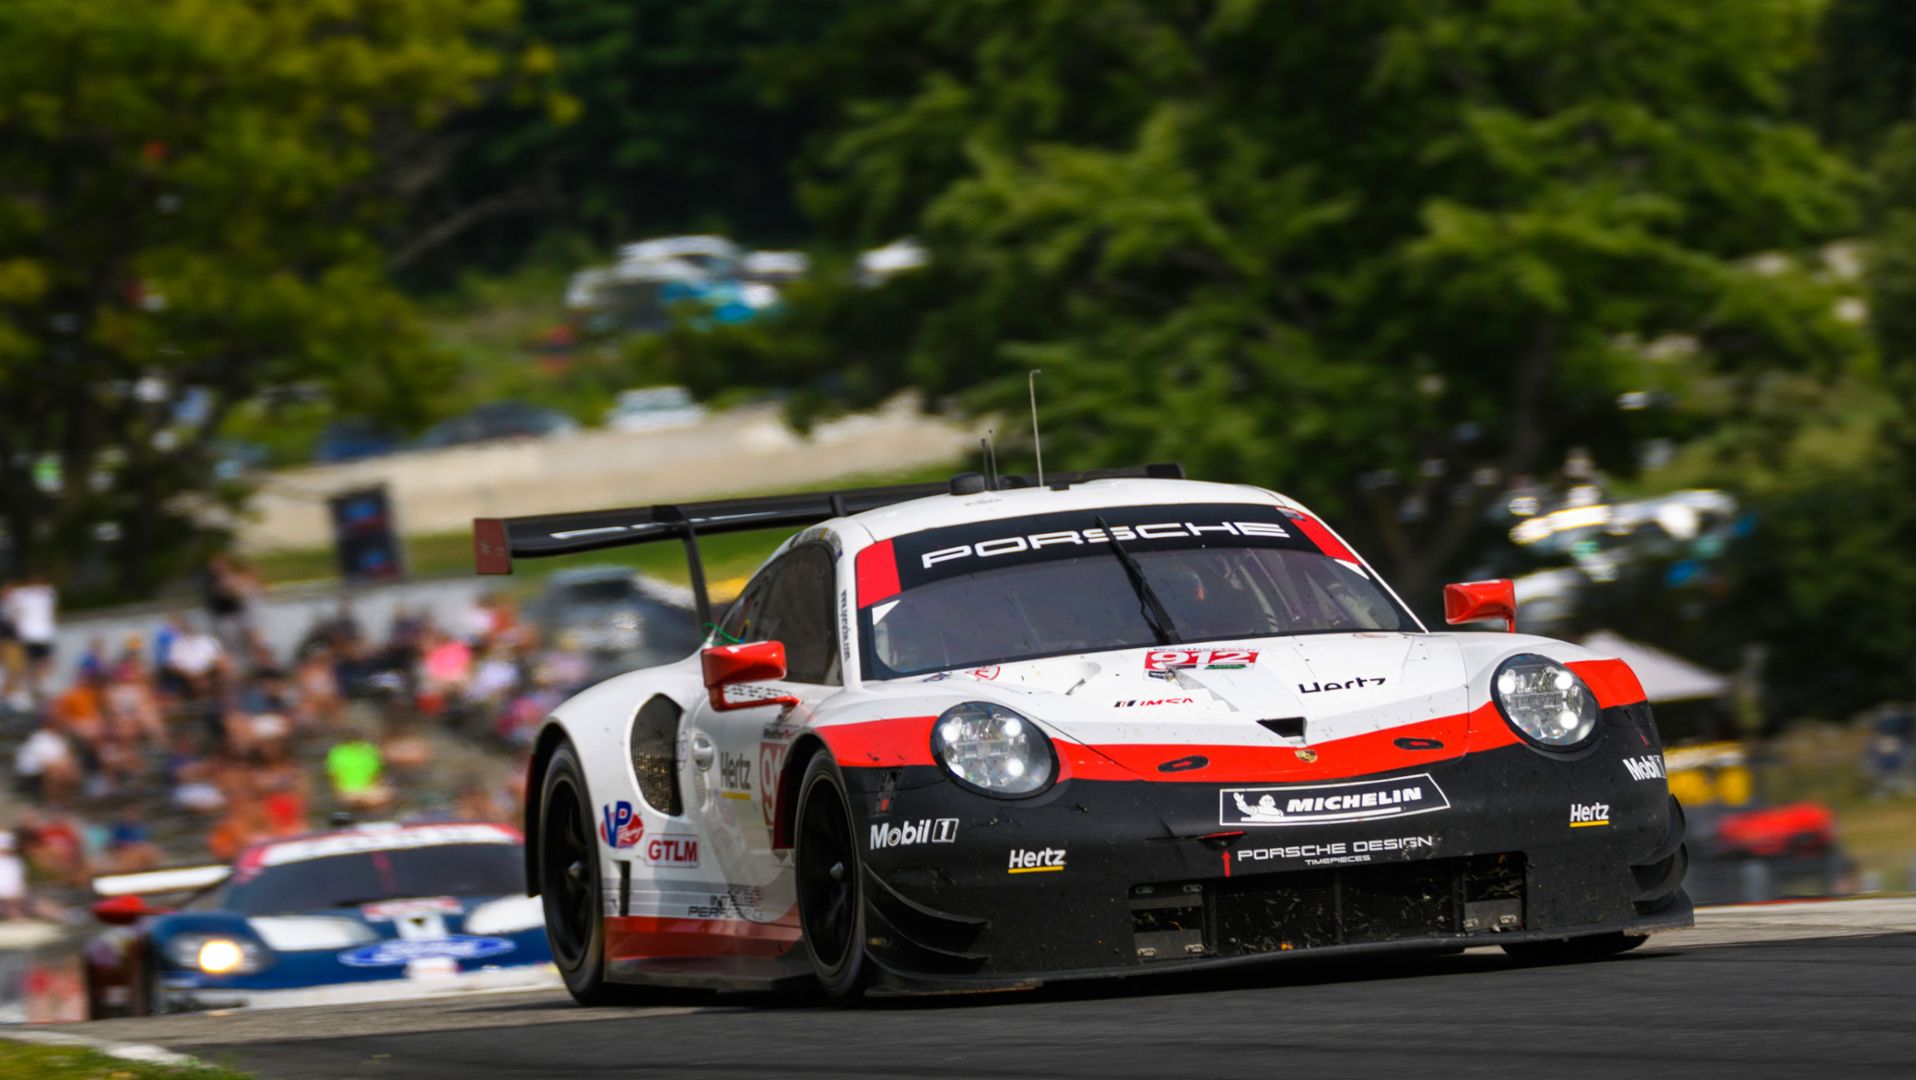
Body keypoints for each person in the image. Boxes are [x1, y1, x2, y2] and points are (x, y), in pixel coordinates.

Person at [3, 574, 57, 699]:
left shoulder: (46, 593)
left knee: (44, 663)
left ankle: (36, 687)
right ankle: (32, 688)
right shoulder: (23, 595)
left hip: (42, 635)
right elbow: (8, 595)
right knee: (28, 665)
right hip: (29, 636)